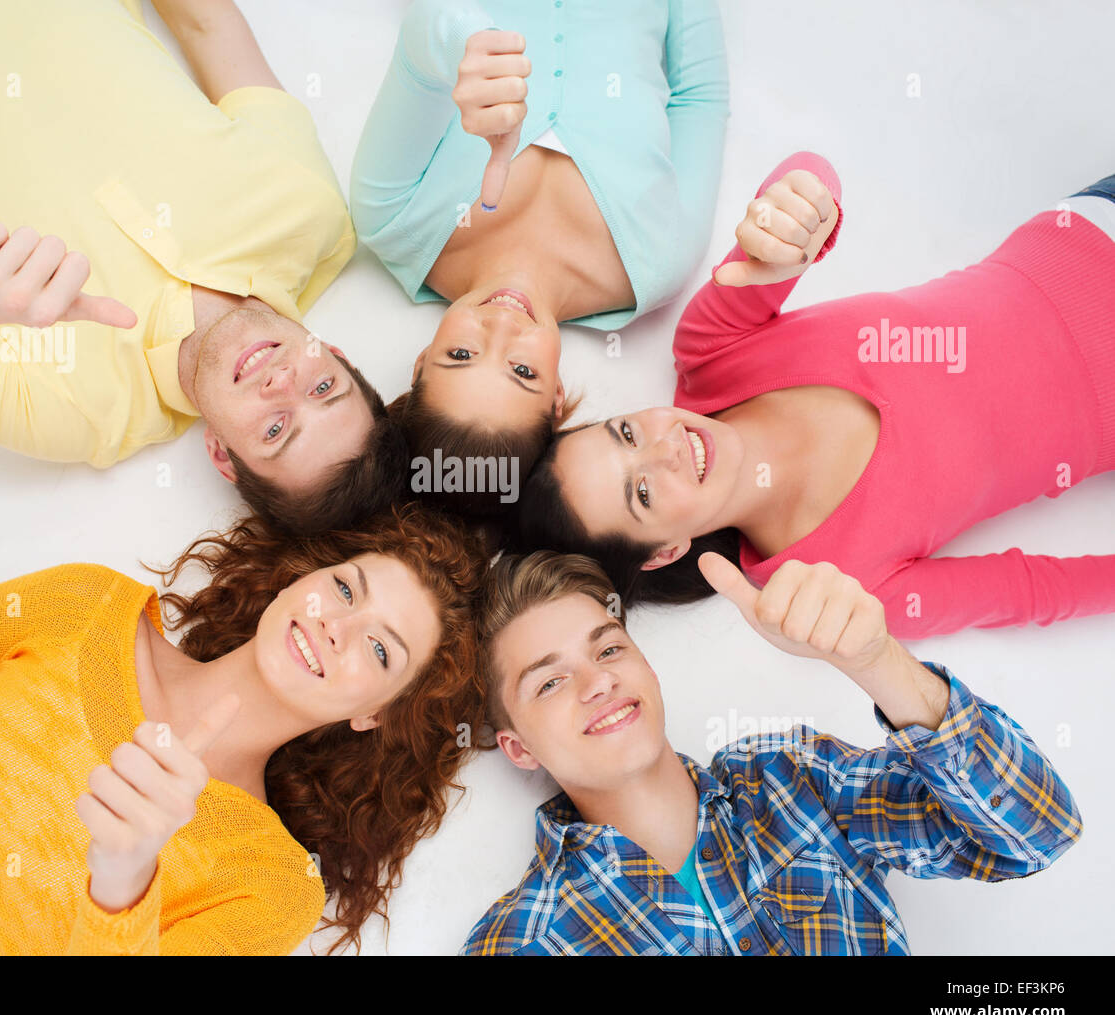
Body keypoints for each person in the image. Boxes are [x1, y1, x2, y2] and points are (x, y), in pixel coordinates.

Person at [0, 0, 406, 532]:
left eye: (275, 430)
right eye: (323, 386)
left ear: (222, 454)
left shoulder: (75, 409)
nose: (283, 385)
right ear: (340, 357)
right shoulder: (312, 213)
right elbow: (207, 21)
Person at [0, 504, 485, 955]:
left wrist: (122, 881)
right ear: (300, 580)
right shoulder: (81, 605)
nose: (338, 627)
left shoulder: (271, 885)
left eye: (380, 650)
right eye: (344, 589)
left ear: (373, 714)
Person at [515, 152, 1115, 636]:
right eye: (641, 491)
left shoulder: (709, 350)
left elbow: (806, 180)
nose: (663, 447)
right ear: (664, 552)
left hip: (1089, 228)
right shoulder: (840, 585)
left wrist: (792, 213)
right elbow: (1031, 591)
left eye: (625, 433)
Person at [461, 550, 1082, 955]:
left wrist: (876, 661)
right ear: (518, 749)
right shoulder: (521, 942)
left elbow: (1037, 833)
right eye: (550, 681)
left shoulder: (790, 779)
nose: (599, 682)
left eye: (609, 649)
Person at [350, 0, 728, 515]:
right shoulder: (658, 262)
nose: (502, 326)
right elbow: (698, 98)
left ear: (419, 365)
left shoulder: (391, 218)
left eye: (460, 355)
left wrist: (471, 47)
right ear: (556, 397)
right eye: (523, 371)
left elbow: (423, 38)